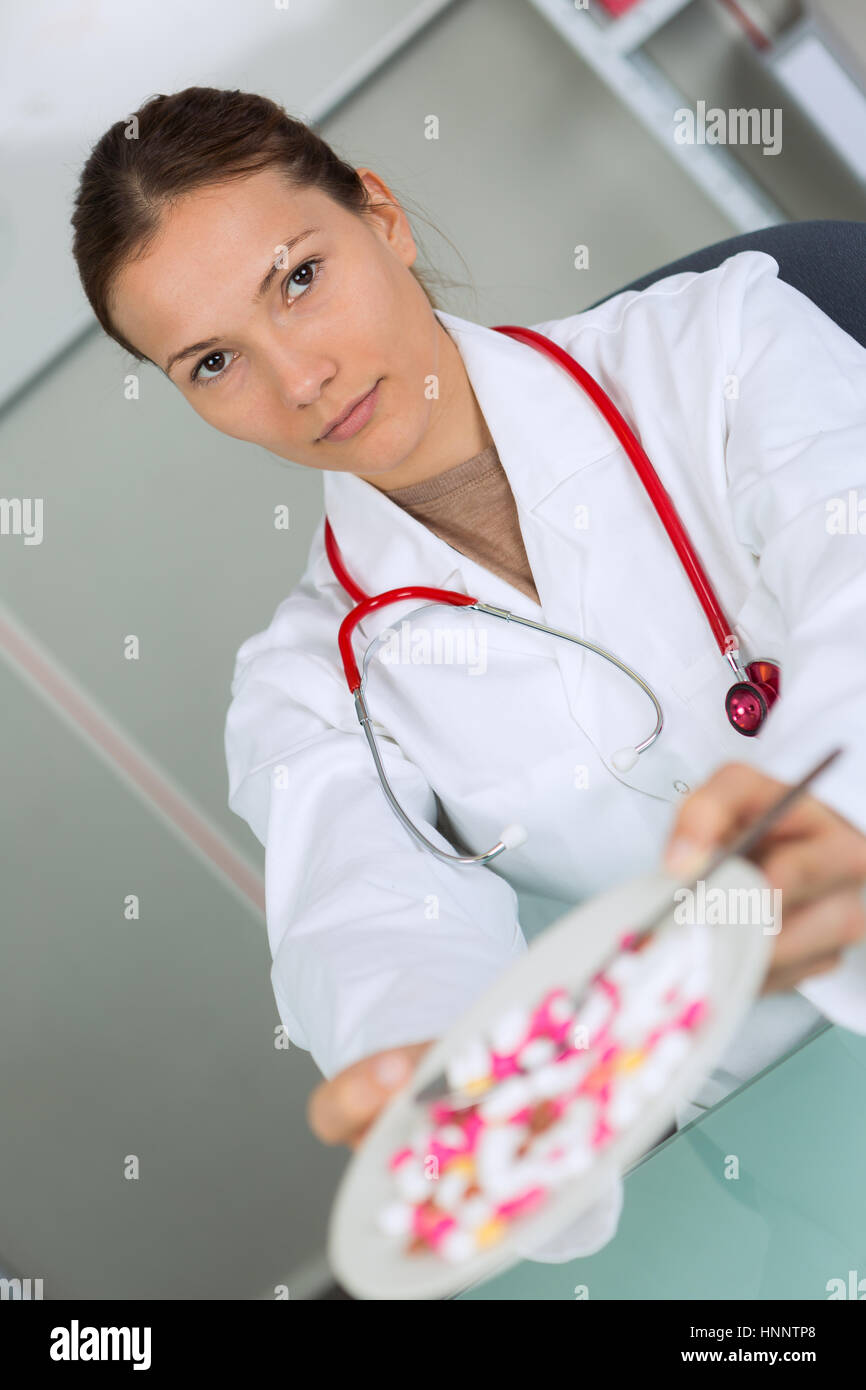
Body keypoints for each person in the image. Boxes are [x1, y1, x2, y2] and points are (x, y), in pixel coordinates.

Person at [70, 86, 866, 1262]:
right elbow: (370, 931)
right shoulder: (305, 688)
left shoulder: (720, 342)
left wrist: (839, 818)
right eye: (212, 361)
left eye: (297, 277)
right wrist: (441, 1097)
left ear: (380, 217)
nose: (297, 377)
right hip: (788, 1142)